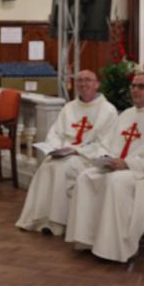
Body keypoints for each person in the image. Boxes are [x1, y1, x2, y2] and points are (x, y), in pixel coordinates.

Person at [65, 71, 144, 262]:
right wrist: (105, 158)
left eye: (142, 86)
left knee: (117, 182)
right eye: (133, 86)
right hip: (120, 168)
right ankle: (87, 240)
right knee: (86, 177)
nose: (136, 90)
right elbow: (107, 144)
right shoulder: (126, 115)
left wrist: (127, 163)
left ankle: (113, 249)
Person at [16, 69, 117, 235]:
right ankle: (41, 219)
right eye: (80, 80)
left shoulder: (108, 110)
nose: (83, 84)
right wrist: (56, 147)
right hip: (64, 153)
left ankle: (58, 223)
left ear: (97, 84)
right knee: (47, 166)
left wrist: (76, 150)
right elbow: (55, 132)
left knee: (62, 168)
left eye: (88, 80)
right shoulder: (69, 108)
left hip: (85, 157)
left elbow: (105, 143)